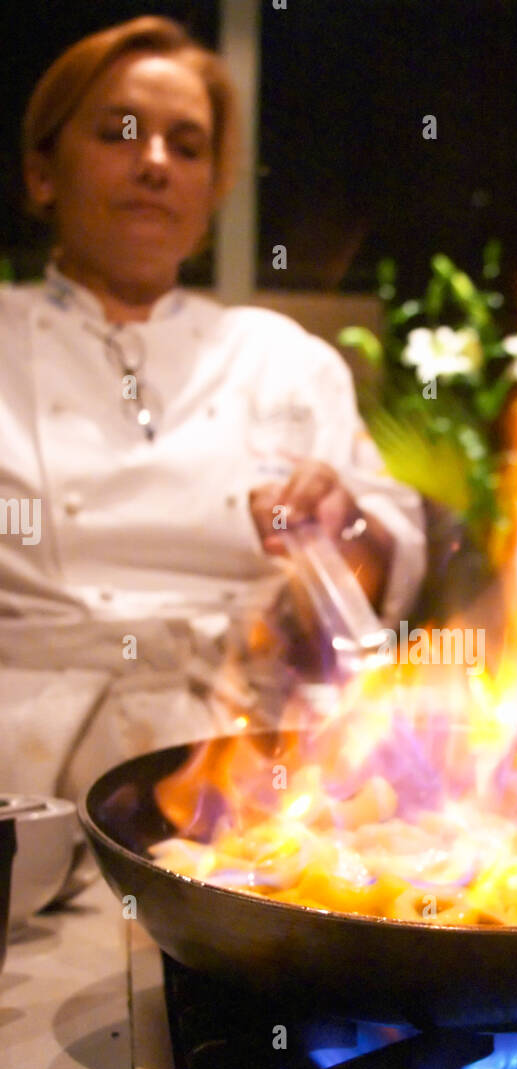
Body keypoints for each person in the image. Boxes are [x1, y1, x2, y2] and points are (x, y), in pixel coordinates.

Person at [0, 15, 425, 799]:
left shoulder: (282, 358)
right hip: (21, 760)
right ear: (41, 173)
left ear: (210, 193)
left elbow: (376, 567)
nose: (155, 163)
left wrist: (341, 527)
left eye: (187, 146)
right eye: (120, 133)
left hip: (247, 755)